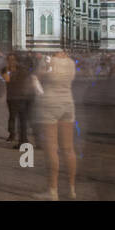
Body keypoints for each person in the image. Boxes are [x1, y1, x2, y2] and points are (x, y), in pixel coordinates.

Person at [35, 50, 77, 200]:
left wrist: (39, 95)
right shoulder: (71, 62)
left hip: (49, 102)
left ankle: (52, 191)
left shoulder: (47, 60)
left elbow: (36, 79)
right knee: (69, 148)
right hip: (68, 103)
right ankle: (71, 189)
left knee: (52, 149)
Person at [4, 53, 34, 148]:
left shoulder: (22, 69)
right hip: (13, 97)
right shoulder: (6, 69)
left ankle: (23, 140)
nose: (11, 61)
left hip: (20, 96)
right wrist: (8, 70)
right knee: (14, 117)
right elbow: (7, 80)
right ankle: (13, 134)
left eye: (13, 59)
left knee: (22, 119)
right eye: (9, 59)